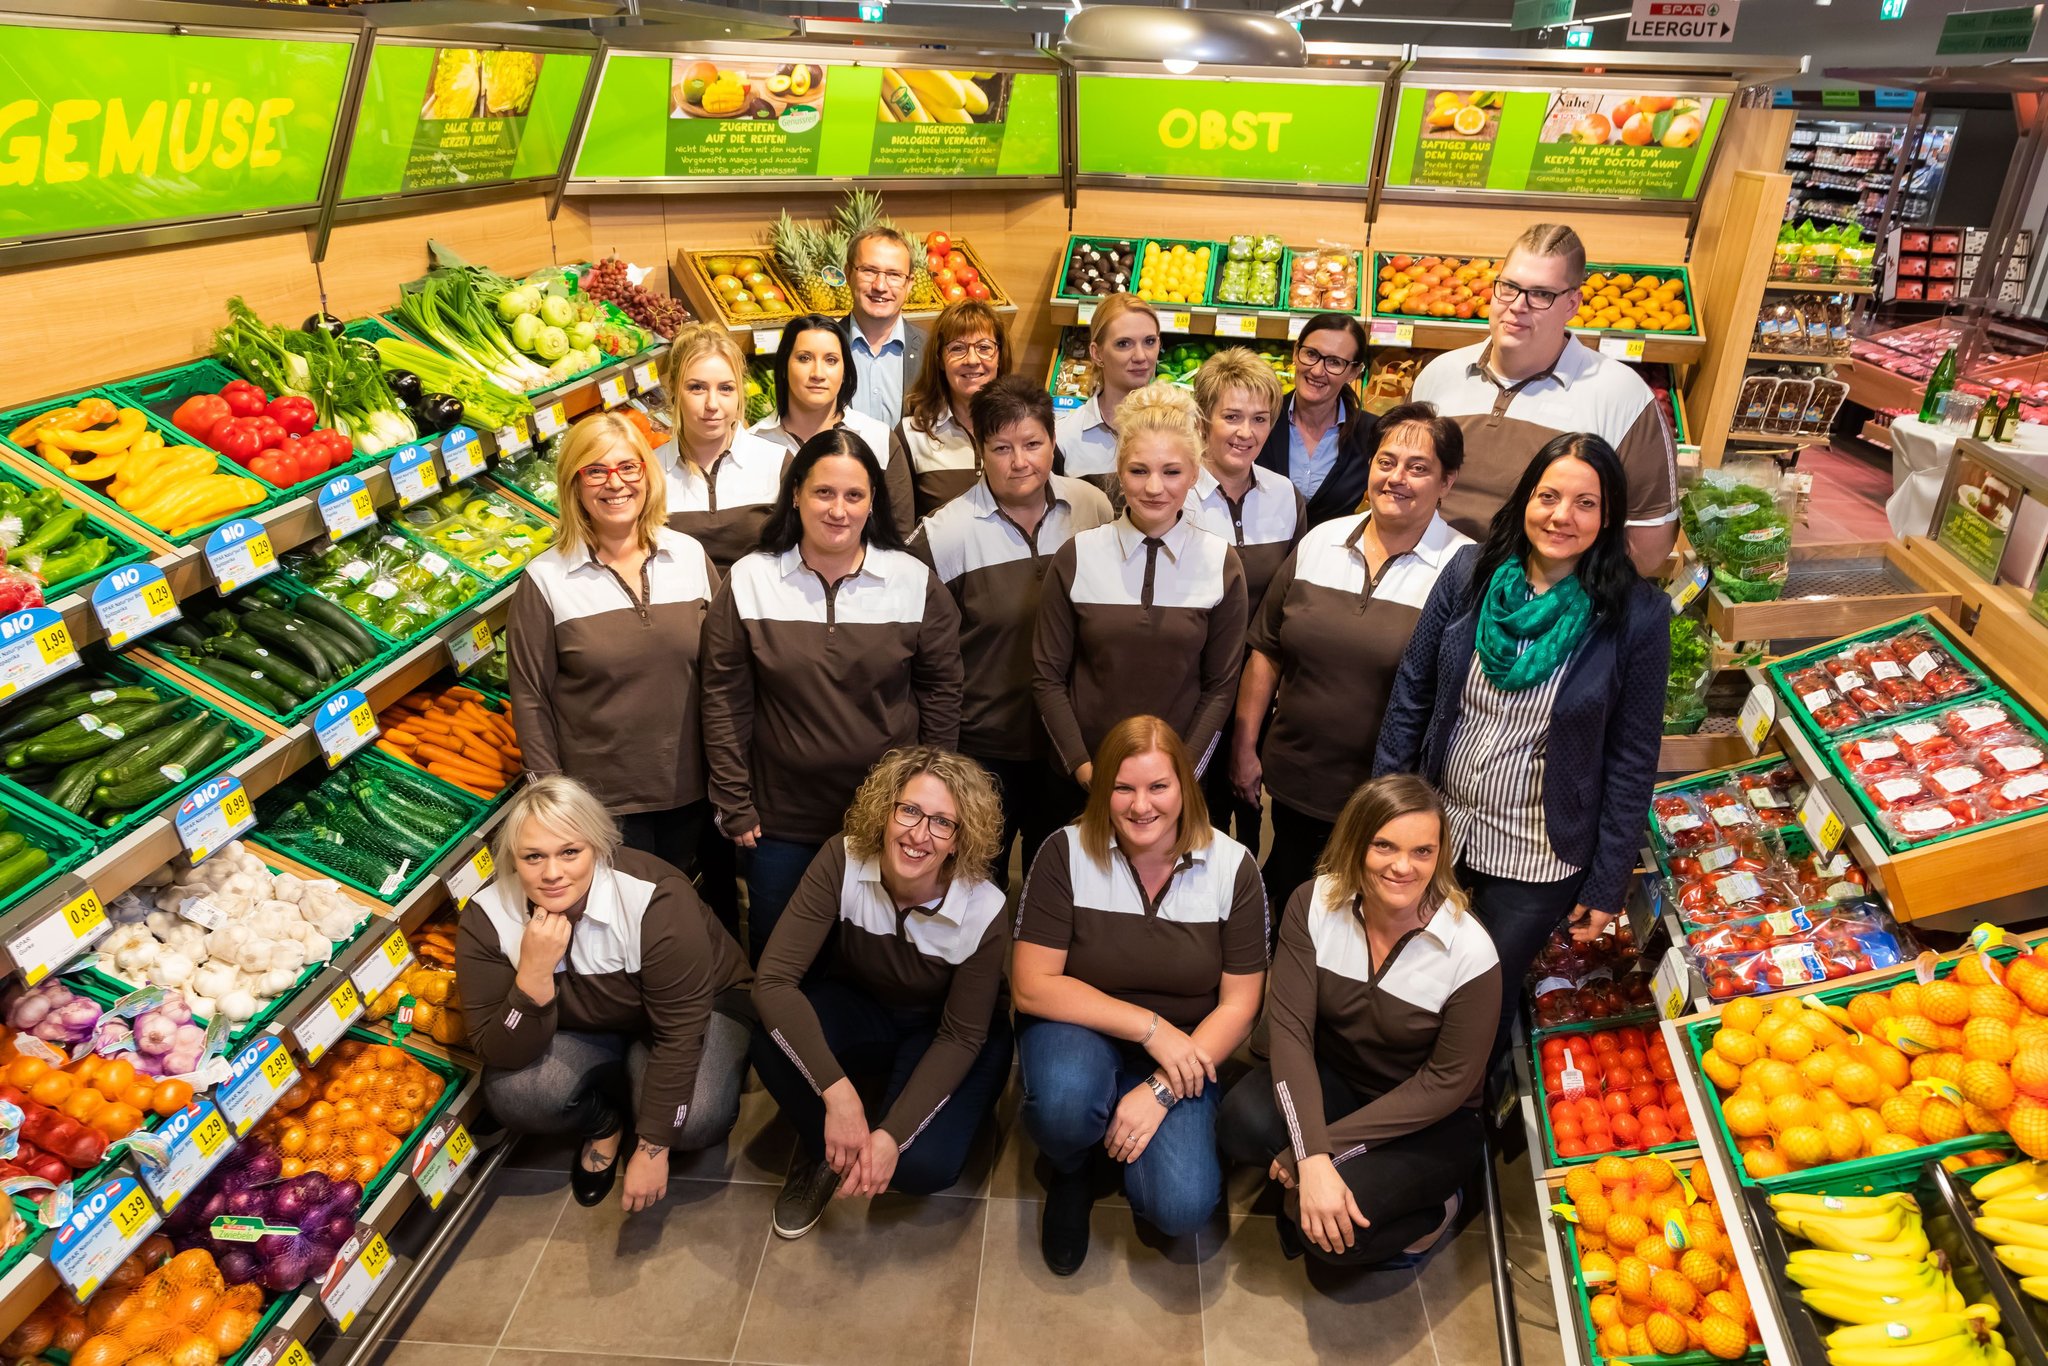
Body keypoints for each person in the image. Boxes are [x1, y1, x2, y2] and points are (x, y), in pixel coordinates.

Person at [1372, 433, 1669, 1043]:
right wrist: (1384, 811)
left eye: (1586, 504)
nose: (1562, 516)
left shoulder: (1635, 615)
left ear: (1608, 515)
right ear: (1525, 499)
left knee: (1481, 997)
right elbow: (1413, 691)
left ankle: (1457, 1118)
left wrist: (1608, 877)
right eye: (1549, 496)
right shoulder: (1470, 573)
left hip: (1537, 853)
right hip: (1439, 830)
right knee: (1401, 973)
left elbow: (1633, 756)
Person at [1012, 717, 1269, 1273]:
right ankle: (1074, 1167)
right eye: (1122, 787)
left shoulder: (1234, 867)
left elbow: (1240, 1006)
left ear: (1185, 786)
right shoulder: (1066, 852)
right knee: (1062, 1107)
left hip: (1184, 1053)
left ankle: (1123, 1125)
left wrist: (1159, 1091)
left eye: (1158, 787)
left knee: (1180, 1209)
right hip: (1079, 1028)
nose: (1139, 806)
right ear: (1103, 788)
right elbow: (1031, 986)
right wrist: (1151, 1029)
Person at [700, 428, 964, 963]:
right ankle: (782, 1050)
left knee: (873, 962)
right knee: (782, 963)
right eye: (824, 493)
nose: (838, 510)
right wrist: (733, 798)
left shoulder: (912, 581)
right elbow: (724, 697)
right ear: (795, 494)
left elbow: (941, 693)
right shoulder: (751, 580)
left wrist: (934, 796)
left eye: (854, 495)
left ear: (873, 503)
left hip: (890, 824)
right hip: (779, 824)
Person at [1217, 776, 1500, 1269]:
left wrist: (1315, 1151)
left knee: (1336, 1240)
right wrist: (1313, 1155)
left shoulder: (1470, 952)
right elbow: (1290, 1034)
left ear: (1440, 857)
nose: (1402, 866)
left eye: (1422, 851)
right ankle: (1319, 1179)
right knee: (1240, 1123)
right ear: (1355, 842)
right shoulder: (1314, 905)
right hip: (1342, 1082)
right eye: (1384, 845)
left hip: (1431, 1121)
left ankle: (1440, 1206)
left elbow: (1445, 1085)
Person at [457, 776, 753, 1212]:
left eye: (570, 852)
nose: (552, 873)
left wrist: (653, 1148)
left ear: (597, 847)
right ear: (513, 861)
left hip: (695, 1014)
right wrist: (534, 975)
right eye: (533, 857)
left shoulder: (656, 898)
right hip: (587, 1026)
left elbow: (679, 1033)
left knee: (693, 1120)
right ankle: (606, 1119)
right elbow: (497, 1047)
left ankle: (641, 1093)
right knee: (513, 1093)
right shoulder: (487, 916)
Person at [751, 748, 1013, 1239]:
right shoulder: (843, 857)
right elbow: (772, 982)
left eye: (942, 823)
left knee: (919, 1168)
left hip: (944, 1030)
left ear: (959, 841)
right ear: (886, 810)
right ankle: (827, 1150)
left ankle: (878, 1130)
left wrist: (893, 1136)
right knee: (768, 1034)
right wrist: (838, 1094)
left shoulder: (985, 906)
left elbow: (960, 1036)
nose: (918, 834)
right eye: (909, 811)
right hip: (863, 1006)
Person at [1233, 403, 1473, 912]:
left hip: (1387, 799)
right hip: (1296, 781)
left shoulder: (1462, 569)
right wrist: (1245, 746)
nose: (1397, 478)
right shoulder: (1320, 541)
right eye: (1386, 462)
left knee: (1360, 919)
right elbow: (1267, 650)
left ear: (1447, 482)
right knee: (1290, 899)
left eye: (1418, 467)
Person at [910, 376, 1114, 883]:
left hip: (1072, 747)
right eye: (1001, 448)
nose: (1019, 462)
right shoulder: (944, 534)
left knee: (1064, 882)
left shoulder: (1091, 509)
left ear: (1052, 442)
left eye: (1033, 444)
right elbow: (919, 655)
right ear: (979, 449)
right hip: (985, 749)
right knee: (976, 883)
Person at [507, 413, 720, 878]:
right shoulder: (546, 579)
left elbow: (726, 670)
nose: (615, 483)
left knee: (700, 919)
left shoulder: (687, 555)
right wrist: (553, 802)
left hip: (698, 788)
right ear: (574, 485)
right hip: (602, 806)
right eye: (596, 471)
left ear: (647, 473)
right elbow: (530, 698)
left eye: (628, 467)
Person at [1408, 222, 1679, 576]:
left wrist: (1568, 608)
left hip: (1539, 616)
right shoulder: (1438, 375)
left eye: (1540, 294)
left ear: (1572, 304)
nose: (1517, 306)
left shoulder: (1623, 396)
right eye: (1508, 287)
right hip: (1425, 591)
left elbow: (1649, 538)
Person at [1034, 382, 1248, 789]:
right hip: (1084, 780)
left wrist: (1177, 778)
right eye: (1138, 470)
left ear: (1194, 475)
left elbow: (1220, 688)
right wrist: (1084, 771)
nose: (1154, 488)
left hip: (1176, 784)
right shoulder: (1077, 556)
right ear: (1119, 471)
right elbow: (1047, 677)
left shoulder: (1221, 564)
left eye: (1171, 472)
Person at [1187, 348, 1305, 854]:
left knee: (1252, 821)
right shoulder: (1176, 490)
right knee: (1194, 824)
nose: (1246, 433)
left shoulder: (1287, 498)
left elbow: (1291, 606)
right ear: (1203, 419)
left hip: (1261, 693)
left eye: (1260, 419)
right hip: (1190, 693)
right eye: (1231, 417)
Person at [751, 315, 913, 541]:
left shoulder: (878, 439)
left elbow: (899, 536)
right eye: (804, 358)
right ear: (784, 366)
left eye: (831, 360)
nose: (817, 373)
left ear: (845, 369)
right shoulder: (753, 444)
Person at [660, 322, 792, 573]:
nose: (712, 403)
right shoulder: (649, 474)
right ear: (675, 391)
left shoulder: (776, 463)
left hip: (756, 610)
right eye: (697, 388)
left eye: (725, 389)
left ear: (740, 392)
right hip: (684, 611)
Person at [1254, 314, 1380, 527]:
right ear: (1295, 352)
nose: (1317, 370)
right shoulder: (1260, 418)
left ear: (1353, 372)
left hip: (1331, 556)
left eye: (1334, 362)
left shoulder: (1372, 434)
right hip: (1262, 555)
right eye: (1311, 354)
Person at [892, 299, 1012, 520]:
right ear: (939, 359)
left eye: (984, 347)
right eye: (957, 348)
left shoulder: (1022, 427)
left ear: (1000, 357)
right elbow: (901, 526)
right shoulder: (913, 433)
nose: (973, 360)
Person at [1054, 294, 1162, 489]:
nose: (1140, 356)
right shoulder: (1064, 438)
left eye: (1149, 341)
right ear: (1097, 353)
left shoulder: (1181, 429)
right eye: (1123, 344)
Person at [844, 226, 928, 431]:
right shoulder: (825, 346)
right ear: (848, 274)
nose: (880, 285)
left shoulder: (931, 351)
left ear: (909, 284)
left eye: (894, 275)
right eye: (869, 271)